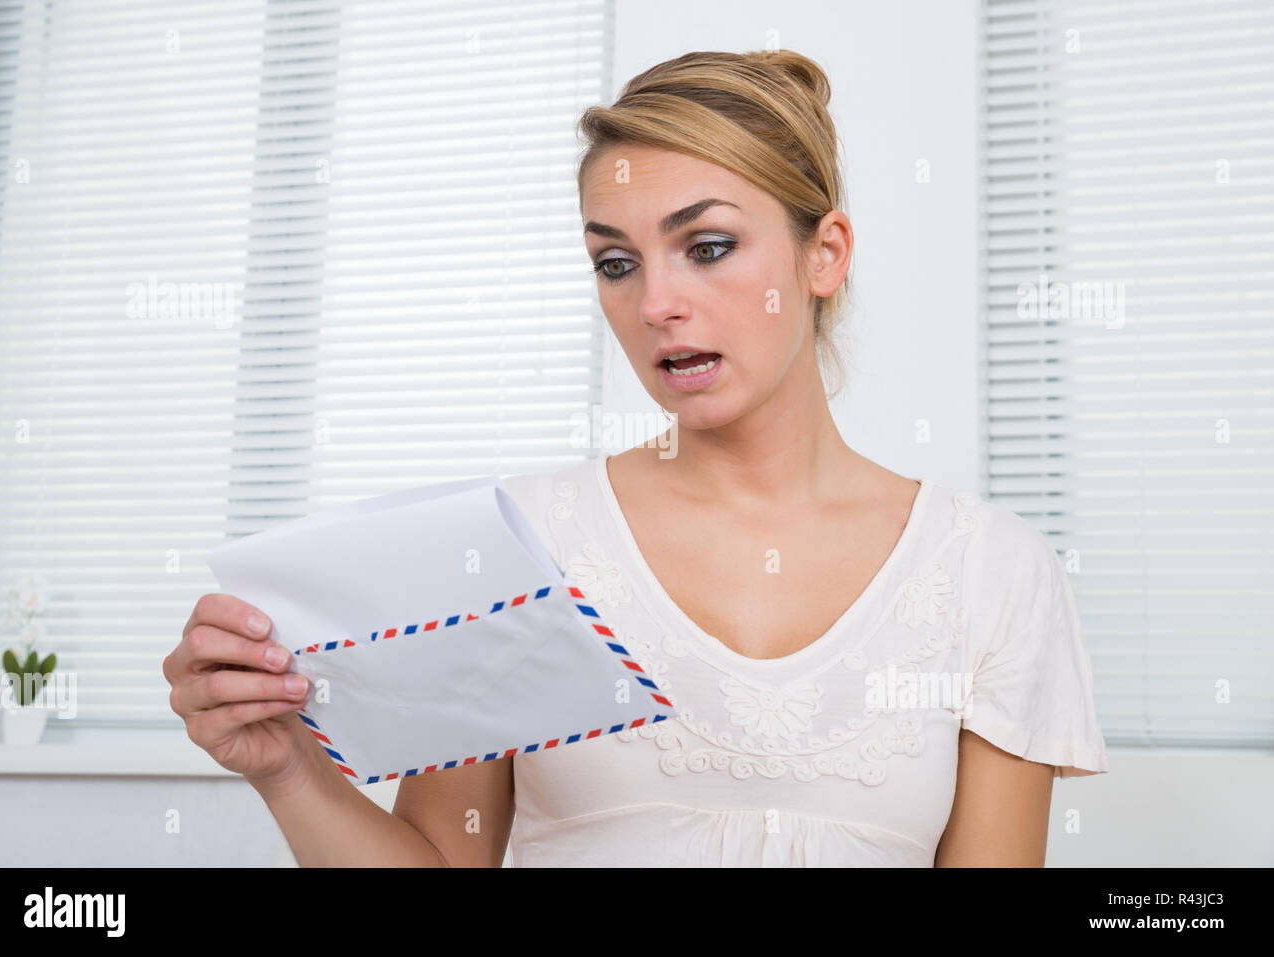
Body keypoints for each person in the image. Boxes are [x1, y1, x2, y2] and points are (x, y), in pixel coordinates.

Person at [165, 49, 1108, 867]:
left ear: (824, 256)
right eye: (616, 263)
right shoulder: (513, 547)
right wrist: (287, 769)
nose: (656, 302)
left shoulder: (993, 571)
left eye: (707, 246)